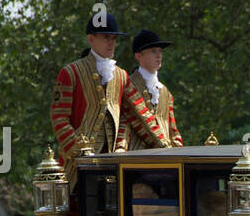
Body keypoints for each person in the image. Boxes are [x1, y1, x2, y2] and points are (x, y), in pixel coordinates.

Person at [50, 11, 168, 181]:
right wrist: (79, 152)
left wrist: (165, 147)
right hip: (76, 166)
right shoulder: (71, 72)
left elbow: (140, 115)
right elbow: (59, 118)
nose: (111, 43)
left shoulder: (121, 76)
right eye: (106, 37)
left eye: (114, 38)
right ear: (91, 39)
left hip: (111, 164)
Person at [121, 29, 184, 150]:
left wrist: (179, 153)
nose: (158, 55)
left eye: (160, 51)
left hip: (165, 157)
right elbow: (123, 126)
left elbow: (173, 130)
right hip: (135, 157)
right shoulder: (128, 86)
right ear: (138, 56)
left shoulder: (165, 92)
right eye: (153, 51)